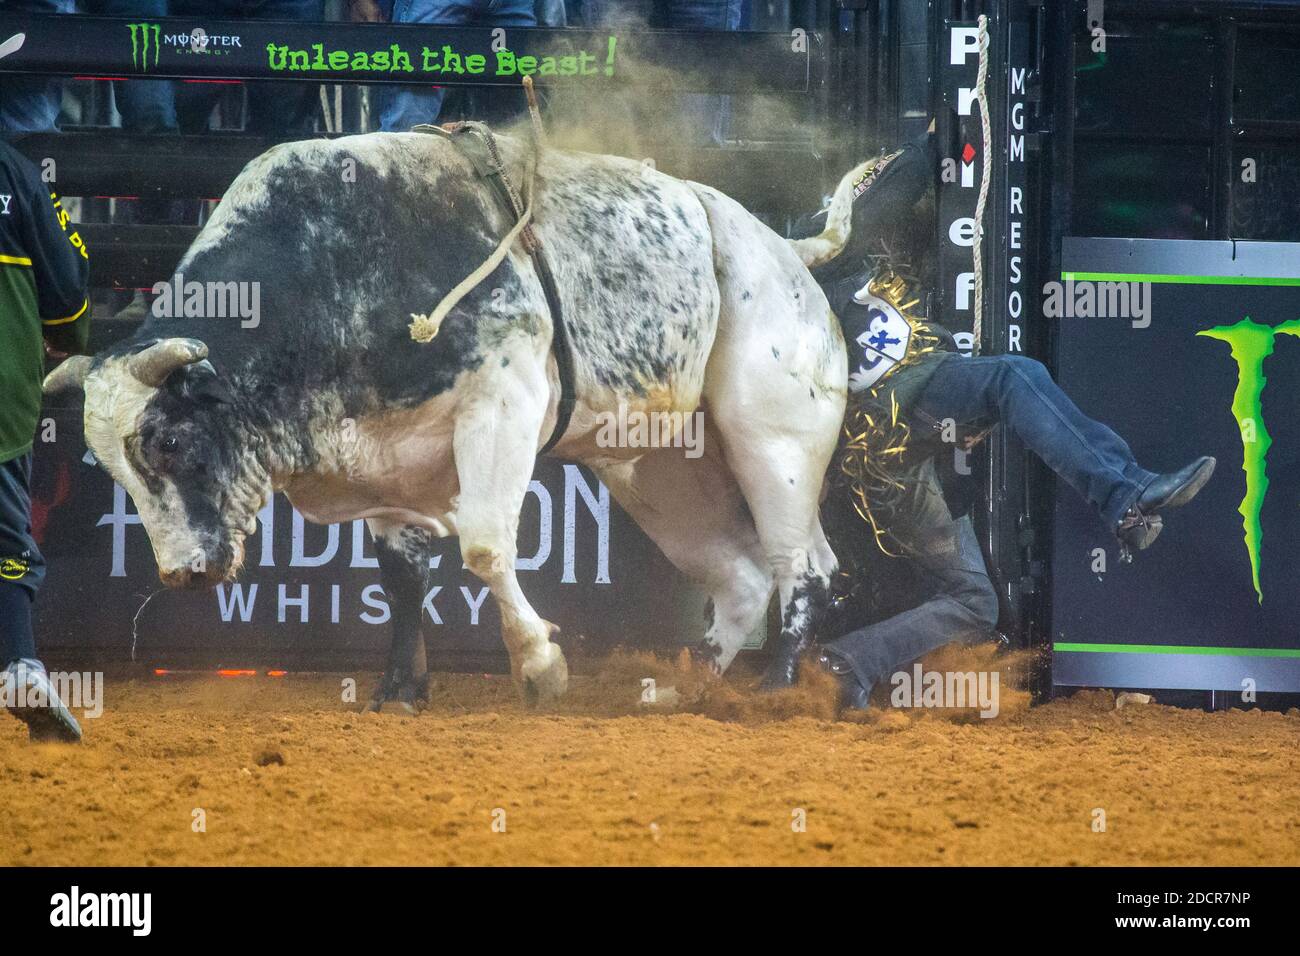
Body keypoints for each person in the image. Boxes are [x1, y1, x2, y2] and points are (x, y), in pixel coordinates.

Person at [767, 139, 1216, 706]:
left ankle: (846, 663)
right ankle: (1126, 496)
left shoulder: (808, 272)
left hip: (885, 459)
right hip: (900, 404)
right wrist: (935, 142)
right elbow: (895, 184)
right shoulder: (815, 250)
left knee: (972, 601)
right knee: (1011, 376)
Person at [0, 139, 90, 742]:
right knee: (5, 536)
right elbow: (67, 296)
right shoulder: (15, 173)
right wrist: (68, 335)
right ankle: (19, 666)